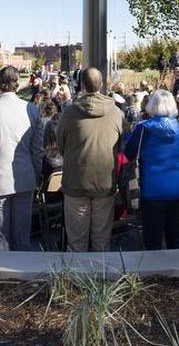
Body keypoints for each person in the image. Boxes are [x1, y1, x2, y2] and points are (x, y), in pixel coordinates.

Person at [56, 67, 123, 252]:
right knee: (101, 242)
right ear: (101, 85)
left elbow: (61, 144)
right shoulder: (115, 112)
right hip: (104, 183)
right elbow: (120, 144)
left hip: (76, 182)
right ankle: (100, 278)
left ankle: (78, 279)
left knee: (77, 243)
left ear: (82, 85)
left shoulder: (69, 113)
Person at [0, 66, 42, 251]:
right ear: (17, 84)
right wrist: (36, 174)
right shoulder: (32, 110)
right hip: (24, 178)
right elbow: (37, 150)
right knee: (22, 239)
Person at [124, 90, 179, 250]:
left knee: (153, 243)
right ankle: (177, 273)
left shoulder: (144, 128)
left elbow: (129, 152)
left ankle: (156, 274)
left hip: (152, 190)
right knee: (176, 241)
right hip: (178, 187)